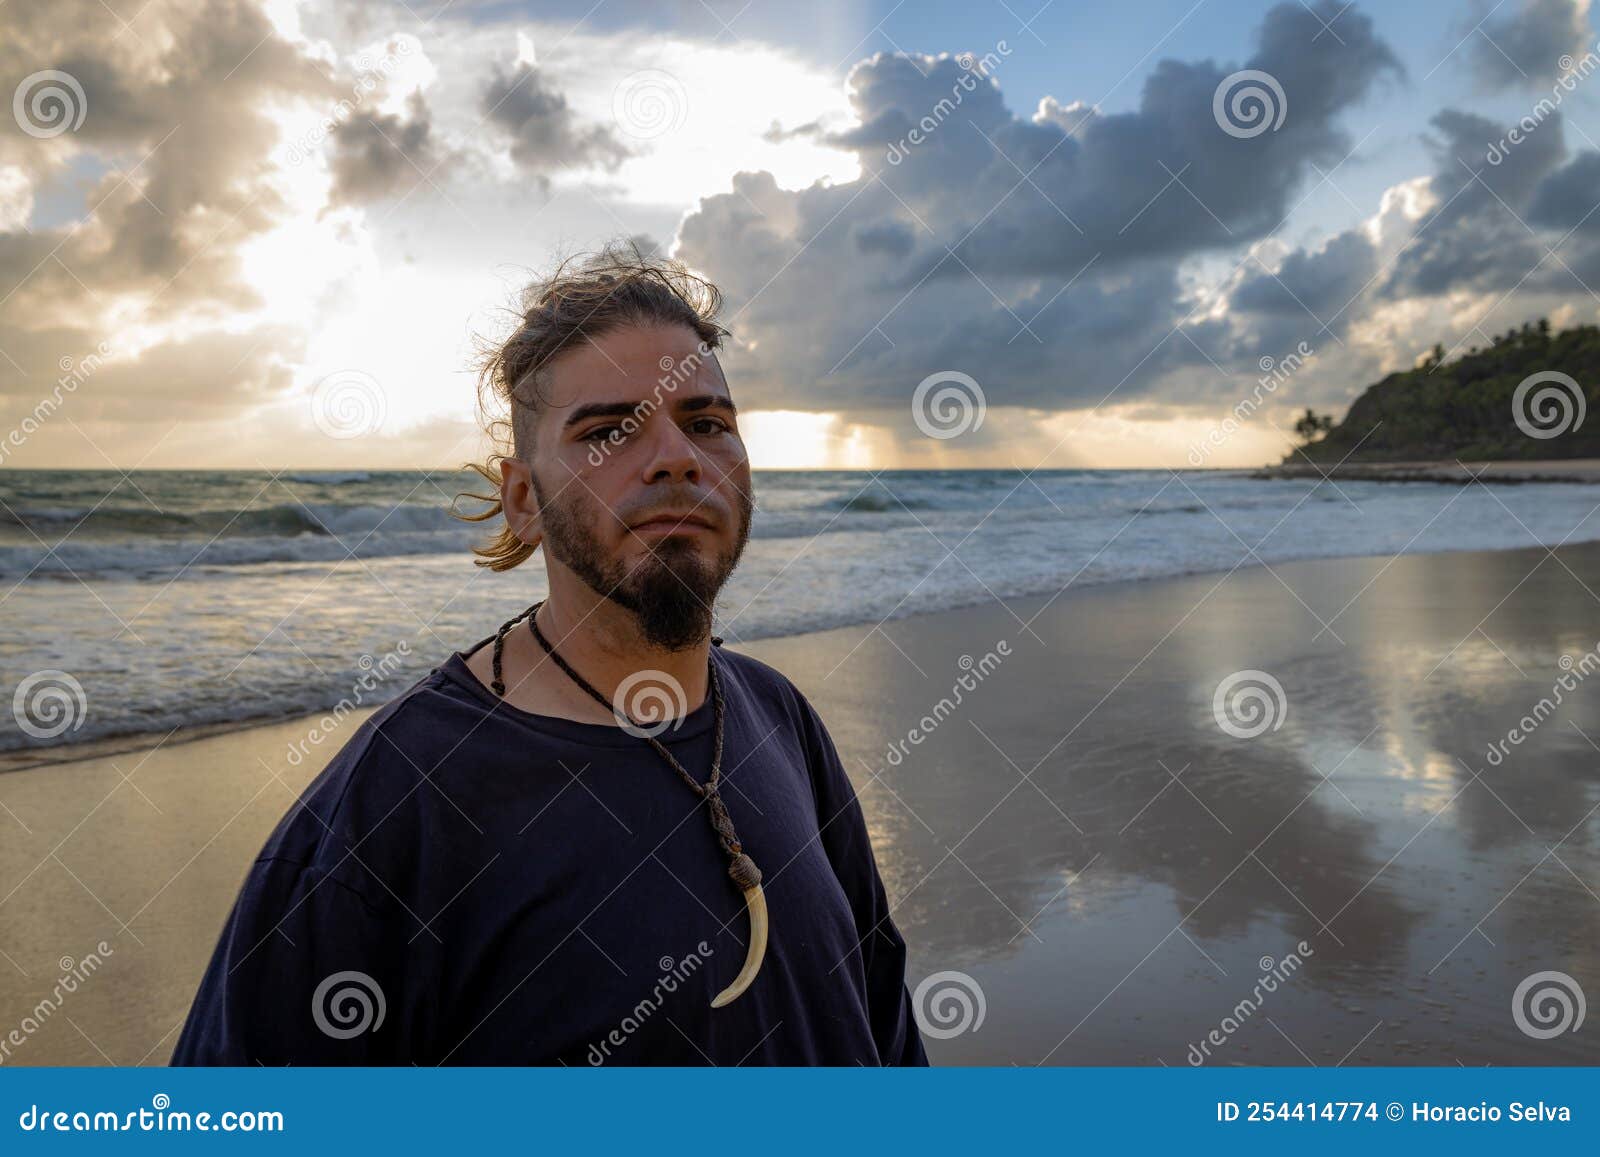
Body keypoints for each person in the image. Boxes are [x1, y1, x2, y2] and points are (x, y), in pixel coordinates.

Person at [170, 243, 929, 1066]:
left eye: (707, 424)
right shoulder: (402, 798)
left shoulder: (778, 715)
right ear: (524, 499)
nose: (676, 457)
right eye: (609, 432)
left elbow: (884, 1019)